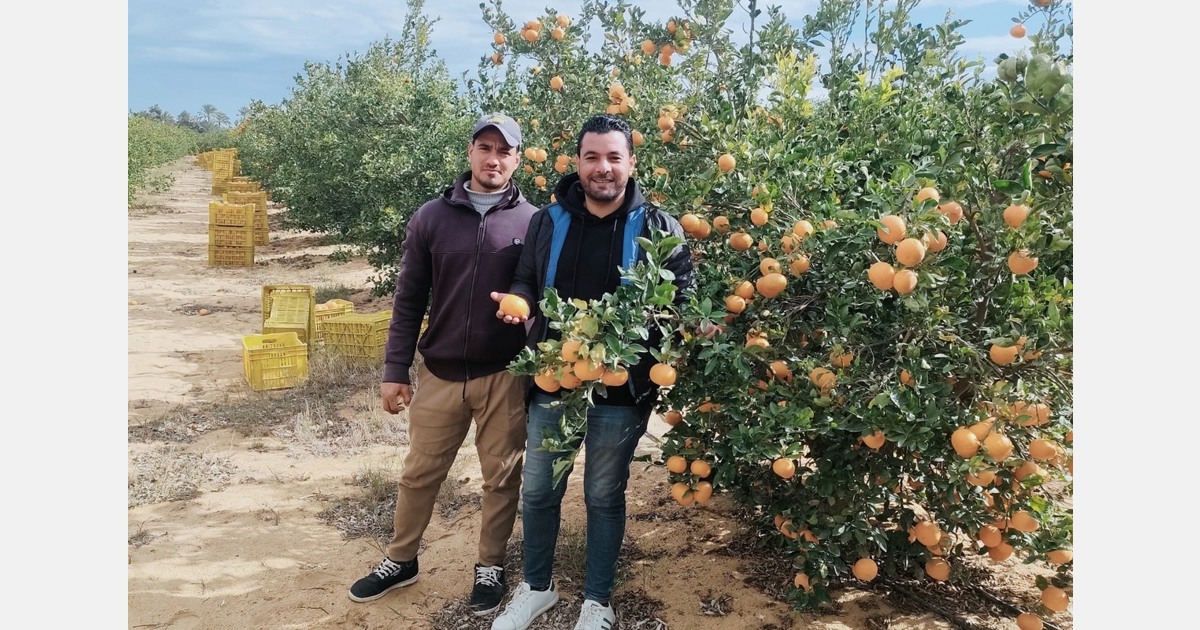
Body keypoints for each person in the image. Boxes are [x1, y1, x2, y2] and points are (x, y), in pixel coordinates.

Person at [489, 113, 694, 630]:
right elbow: (527, 281)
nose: (602, 168)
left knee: (603, 493)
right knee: (538, 490)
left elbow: (684, 296)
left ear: (631, 162)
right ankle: (538, 587)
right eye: (592, 157)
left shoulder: (658, 227)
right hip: (555, 380)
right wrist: (518, 302)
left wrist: (689, 326)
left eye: (613, 157)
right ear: (576, 163)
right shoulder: (549, 221)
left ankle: (597, 600)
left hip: (621, 390)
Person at [347, 113, 539, 617]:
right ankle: (401, 558)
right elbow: (409, 297)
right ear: (470, 152)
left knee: (501, 476)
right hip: (441, 372)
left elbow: (541, 293)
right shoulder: (431, 217)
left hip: (504, 373)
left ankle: (490, 565)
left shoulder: (534, 221)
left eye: (505, 151)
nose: (493, 159)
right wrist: (394, 369)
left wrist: (524, 308)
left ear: (518, 159)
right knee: (419, 473)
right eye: (485, 148)